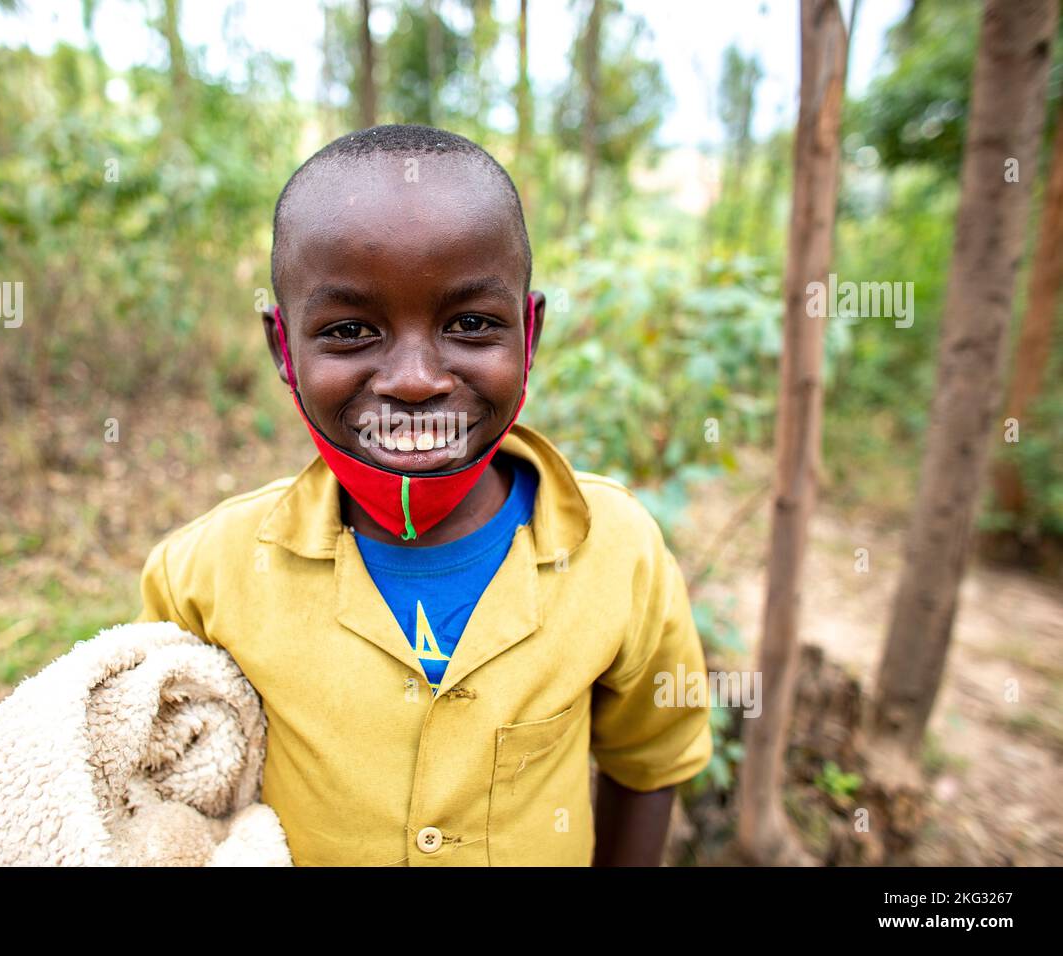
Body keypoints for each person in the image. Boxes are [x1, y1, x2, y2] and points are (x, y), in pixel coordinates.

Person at [136, 123, 711, 866]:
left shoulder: (618, 551)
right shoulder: (200, 578)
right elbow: (166, 793)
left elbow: (649, 764)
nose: (415, 380)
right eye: (349, 330)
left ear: (529, 334)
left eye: (471, 324)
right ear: (285, 348)